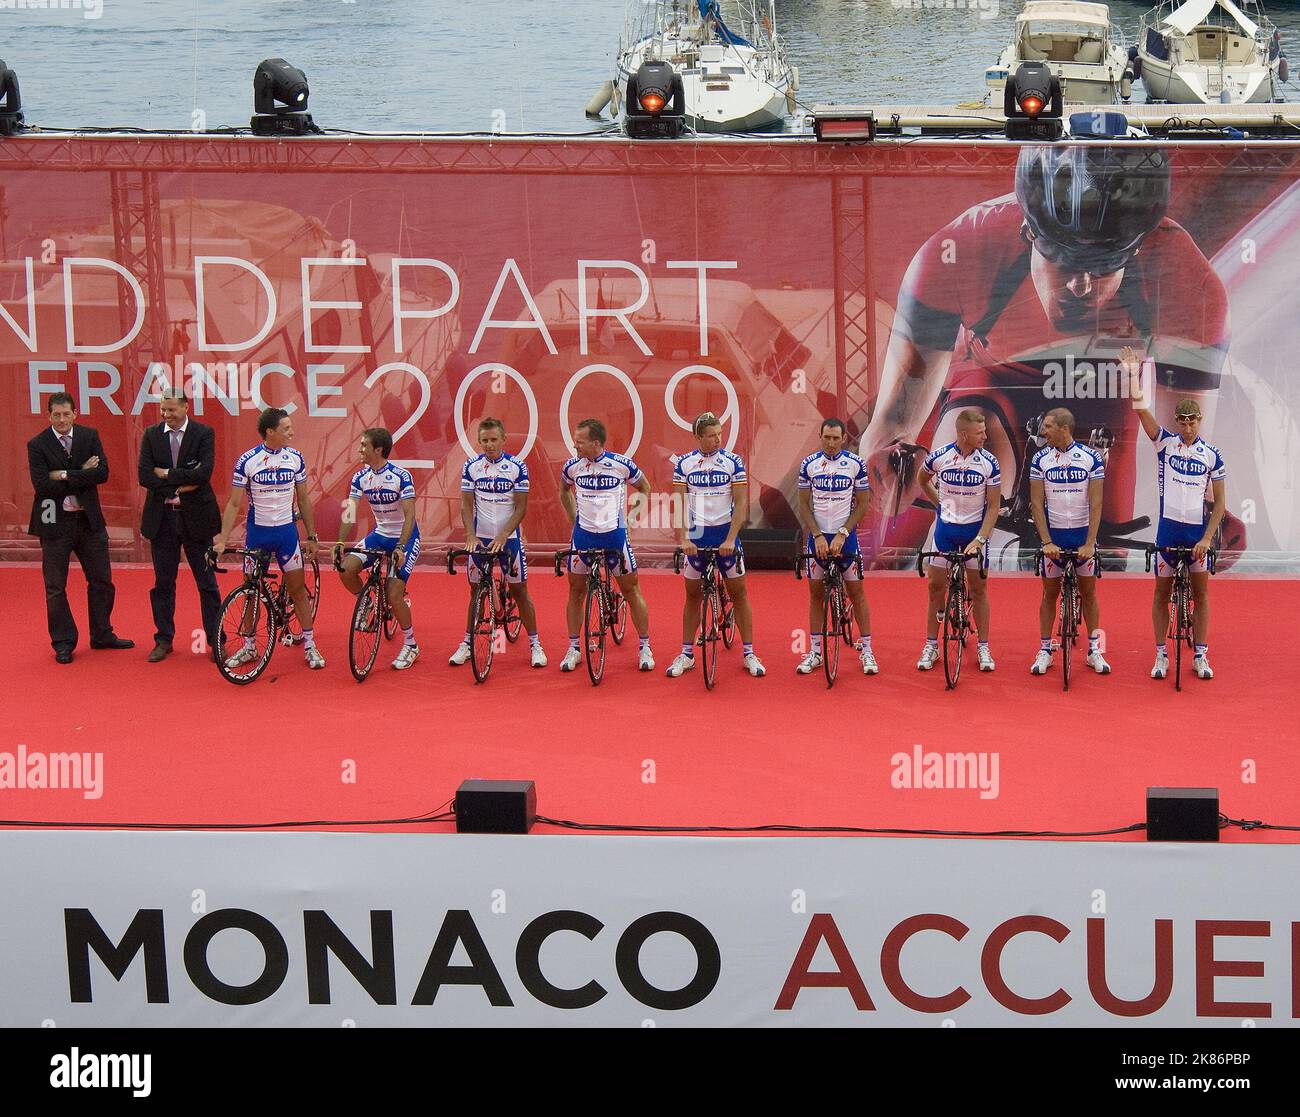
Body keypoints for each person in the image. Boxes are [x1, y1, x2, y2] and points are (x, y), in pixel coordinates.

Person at [860, 144, 1237, 563]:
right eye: (1065, 261)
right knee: (956, 483)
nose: (1081, 286)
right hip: (994, 378)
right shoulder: (958, 250)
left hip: (1106, 399)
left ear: (1135, 250)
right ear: (1029, 234)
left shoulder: (1190, 284)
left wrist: (1203, 508)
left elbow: (1183, 443)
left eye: (1103, 266)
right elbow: (892, 423)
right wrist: (892, 462)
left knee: (1101, 554)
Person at [1123, 346, 1226, 681]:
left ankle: (1200, 655)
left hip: (1196, 533)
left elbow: (1220, 504)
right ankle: (1160, 654)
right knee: (1161, 594)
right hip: (1168, 531)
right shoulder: (1165, 443)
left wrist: (1208, 539)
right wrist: (1130, 375)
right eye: (1181, 421)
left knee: (1201, 595)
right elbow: (1141, 410)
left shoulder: (1212, 456)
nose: (1187, 426)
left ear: (1200, 420)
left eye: (1192, 421)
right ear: (1177, 423)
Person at [212, 407, 324, 670]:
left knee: (297, 590)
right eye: (286, 429)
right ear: (270, 432)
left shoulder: (295, 457)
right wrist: (221, 539)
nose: (292, 432)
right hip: (257, 535)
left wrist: (312, 535)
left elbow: (304, 499)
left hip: (287, 533)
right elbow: (233, 503)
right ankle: (249, 646)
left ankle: (309, 644)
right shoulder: (247, 461)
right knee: (251, 591)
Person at [27, 392, 133, 662]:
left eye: (66, 414)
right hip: (54, 521)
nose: (62, 420)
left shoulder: (89, 436)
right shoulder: (37, 444)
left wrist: (63, 474)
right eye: (56, 415)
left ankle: (102, 634)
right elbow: (43, 485)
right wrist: (81, 473)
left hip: (89, 521)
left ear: (75, 413)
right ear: (48, 415)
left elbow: (103, 473)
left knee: (102, 581)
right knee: (55, 586)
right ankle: (63, 642)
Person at [667, 412, 765, 678]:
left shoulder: (732, 461)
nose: (717, 439)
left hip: (726, 534)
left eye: (719, 433)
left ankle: (749, 652)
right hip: (697, 536)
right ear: (698, 437)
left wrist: (731, 538)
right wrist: (684, 538)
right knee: (692, 596)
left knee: (739, 595)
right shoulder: (685, 464)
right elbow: (679, 504)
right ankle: (686, 653)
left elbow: (742, 502)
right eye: (711, 435)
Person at [449, 417, 546, 669]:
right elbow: (466, 505)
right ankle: (468, 643)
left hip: (509, 538)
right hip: (480, 539)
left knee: (519, 591)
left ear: (503, 440)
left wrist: (503, 535)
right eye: (484, 441)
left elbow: (521, 508)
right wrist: (470, 536)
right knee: (474, 591)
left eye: (494, 440)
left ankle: (536, 644)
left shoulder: (517, 467)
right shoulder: (471, 467)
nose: (489, 445)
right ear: (479, 442)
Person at [558, 418, 654, 672]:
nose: (575, 446)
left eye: (580, 442)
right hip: (583, 536)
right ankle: (574, 648)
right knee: (576, 592)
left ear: (596, 443)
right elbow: (563, 491)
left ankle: (645, 647)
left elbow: (645, 488)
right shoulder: (572, 467)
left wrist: (631, 520)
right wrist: (573, 519)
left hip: (615, 537)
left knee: (631, 590)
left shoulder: (621, 464)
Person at [137, 387, 222, 663]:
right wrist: (182, 481)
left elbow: (204, 473)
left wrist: (167, 474)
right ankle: (163, 639)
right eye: (163, 409)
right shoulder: (151, 434)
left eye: (172, 410)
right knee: (163, 583)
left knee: (207, 582)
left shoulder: (203, 433)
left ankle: (214, 640)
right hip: (162, 519)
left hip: (197, 519)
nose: (167, 415)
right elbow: (144, 476)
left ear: (186, 407)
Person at [916, 409, 1001, 673]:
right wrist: (940, 504)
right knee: (934, 588)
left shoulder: (989, 463)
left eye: (985, 431)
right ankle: (931, 645)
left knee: (978, 590)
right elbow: (922, 479)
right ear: (964, 434)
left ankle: (983, 646)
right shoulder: (940, 457)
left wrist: (980, 539)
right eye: (980, 432)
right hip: (945, 531)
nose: (985, 436)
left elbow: (994, 506)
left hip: (974, 533)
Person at [1028, 407, 1109, 676]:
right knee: (1049, 594)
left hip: (1082, 536)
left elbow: (1096, 503)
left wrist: (1090, 543)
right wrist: (1046, 541)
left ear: (1064, 428)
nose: (1043, 431)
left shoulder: (1090, 459)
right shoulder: (1040, 459)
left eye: (1048, 427)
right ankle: (1044, 649)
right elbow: (1037, 504)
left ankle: (1095, 649)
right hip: (1055, 539)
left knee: (1089, 594)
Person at [334, 428, 422, 671]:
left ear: (378, 450)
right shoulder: (360, 477)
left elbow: (410, 516)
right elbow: (349, 512)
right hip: (380, 535)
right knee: (345, 569)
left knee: (394, 595)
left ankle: (411, 645)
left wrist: (401, 547)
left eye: (364, 446)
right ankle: (368, 604)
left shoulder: (400, 476)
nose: (360, 450)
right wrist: (341, 542)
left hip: (405, 536)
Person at [795, 418, 877, 676]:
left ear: (844, 439)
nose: (831, 443)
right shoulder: (809, 465)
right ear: (820, 436)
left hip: (846, 538)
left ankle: (867, 650)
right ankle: (816, 651)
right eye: (826, 438)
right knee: (816, 596)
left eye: (835, 438)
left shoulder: (855, 465)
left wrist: (843, 532)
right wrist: (817, 535)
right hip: (818, 538)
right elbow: (803, 505)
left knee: (857, 594)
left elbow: (863, 504)